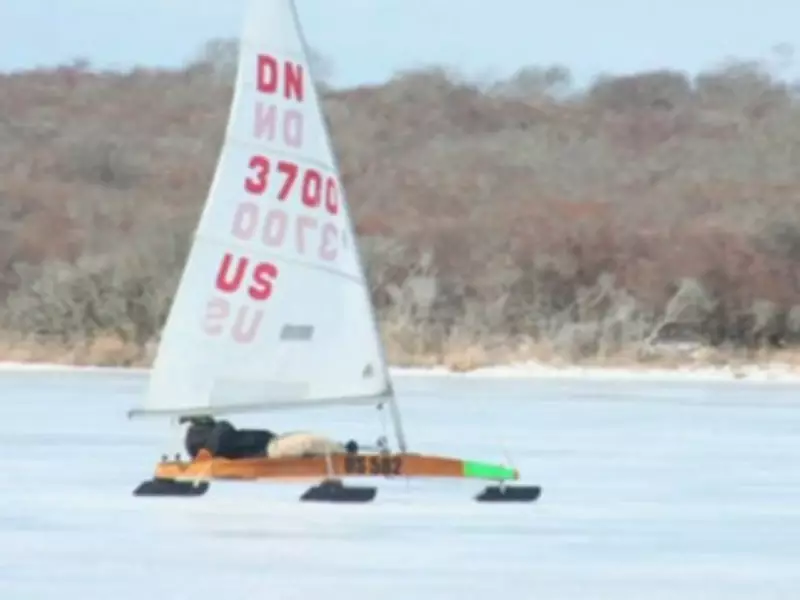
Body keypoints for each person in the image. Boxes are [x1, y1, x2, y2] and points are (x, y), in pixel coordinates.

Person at [181, 416, 357, 460]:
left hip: (269, 444)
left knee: (305, 438)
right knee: (307, 441)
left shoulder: (205, 432)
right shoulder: (199, 435)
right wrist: (222, 425)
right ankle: (344, 453)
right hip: (265, 451)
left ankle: (338, 448)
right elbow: (216, 443)